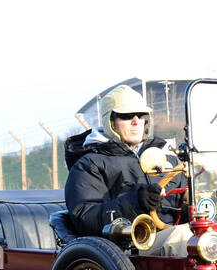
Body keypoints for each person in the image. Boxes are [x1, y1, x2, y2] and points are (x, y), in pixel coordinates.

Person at [64, 84, 193, 254]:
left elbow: (184, 206)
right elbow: (85, 218)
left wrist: (207, 204)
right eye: (126, 116)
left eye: (141, 115)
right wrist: (136, 202)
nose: (136, 121)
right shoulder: (90, 164)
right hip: (127, 251)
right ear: (111, 121)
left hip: (169, 239)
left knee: (215, 236)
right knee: (183, 238)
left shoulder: (166, 156)